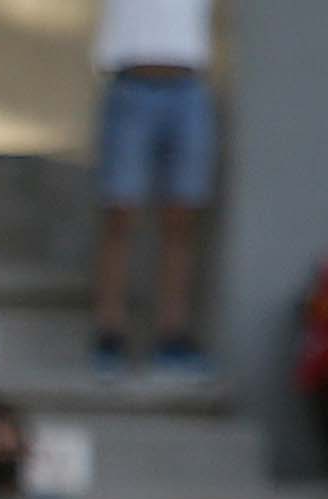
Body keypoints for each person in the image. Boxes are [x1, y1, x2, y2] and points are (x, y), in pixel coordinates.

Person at [83, 0, 209, 379]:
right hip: (130, 80)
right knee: (120, 212)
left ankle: (173, 334)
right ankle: (110, 331)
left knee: (181, 217)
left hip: (187, 84)